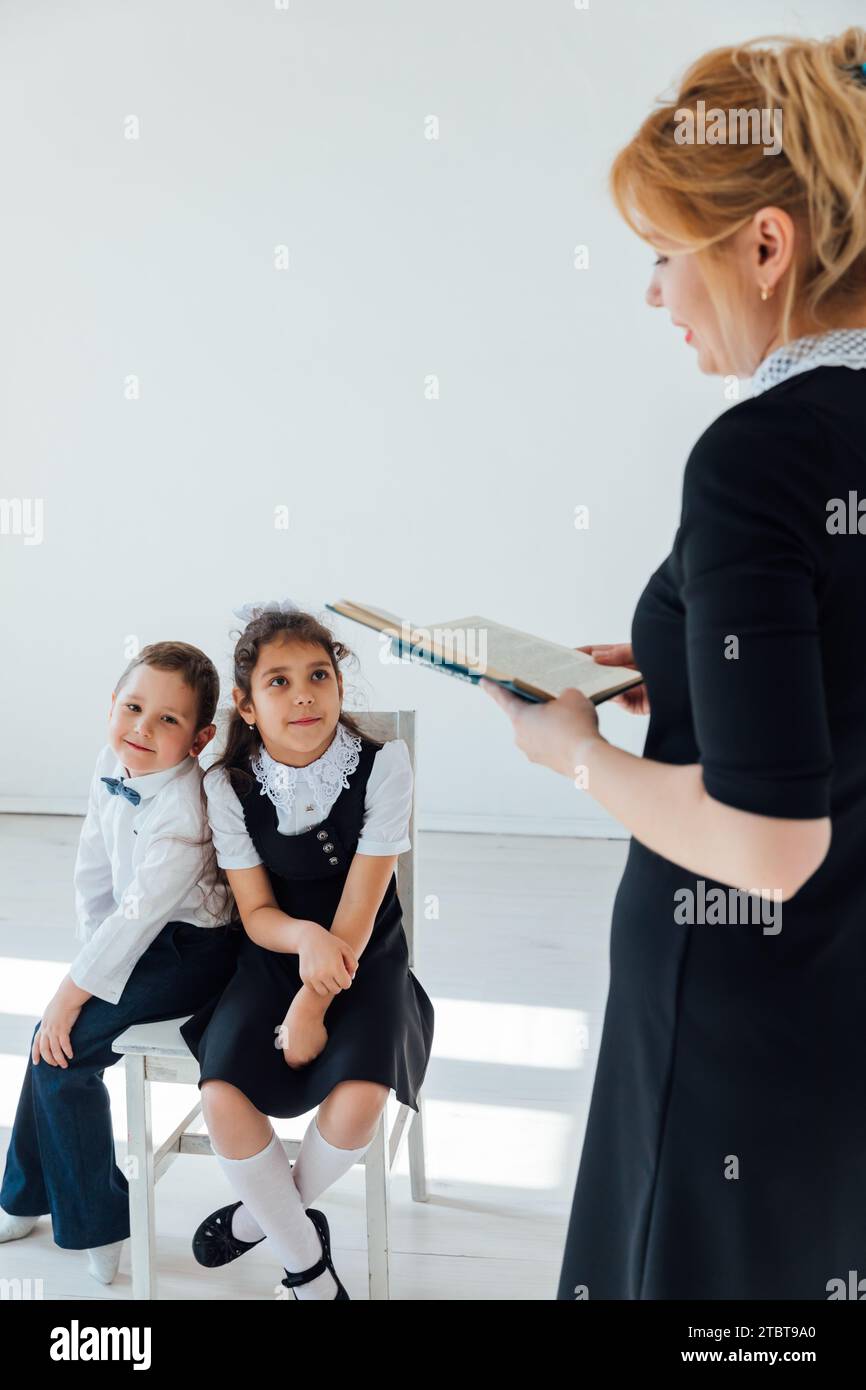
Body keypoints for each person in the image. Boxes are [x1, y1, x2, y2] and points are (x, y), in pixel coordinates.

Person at [483, 28, 866, 1299]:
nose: (653, 296)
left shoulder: (757, 454)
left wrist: (577, 750)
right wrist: (692, 675)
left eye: (661, 256)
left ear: (764, 246)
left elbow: (768, 843)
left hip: (742, 1000)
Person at [179, 601, 434, 1301]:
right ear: (247, 704)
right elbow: (257, 912)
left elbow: (358, 912)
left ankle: (260, 1218)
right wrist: (302, 941)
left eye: (318, 676)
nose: (303, 695)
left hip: (367, 956)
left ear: (340, 688)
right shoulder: (228, 788)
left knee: (359, 1096)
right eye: (280, 682)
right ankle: (309, 1271)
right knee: (223, 1093)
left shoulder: (384, 768)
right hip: (271, 953)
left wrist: (312, 1002)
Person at [0, 641, 240, 1283]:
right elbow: (95, 877)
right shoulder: (114, 763)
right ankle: (23, 1195)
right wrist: (83, 967)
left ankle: (101, 1225)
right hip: (138, 934)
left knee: (65, 1047)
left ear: (199, 738)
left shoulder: (186, 814)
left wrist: (72, 995)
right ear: (112, 706)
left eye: (168, 720)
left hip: (195, 948)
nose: (142, 727)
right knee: (46, 1039)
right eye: (133, 707)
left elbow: (140, 913)